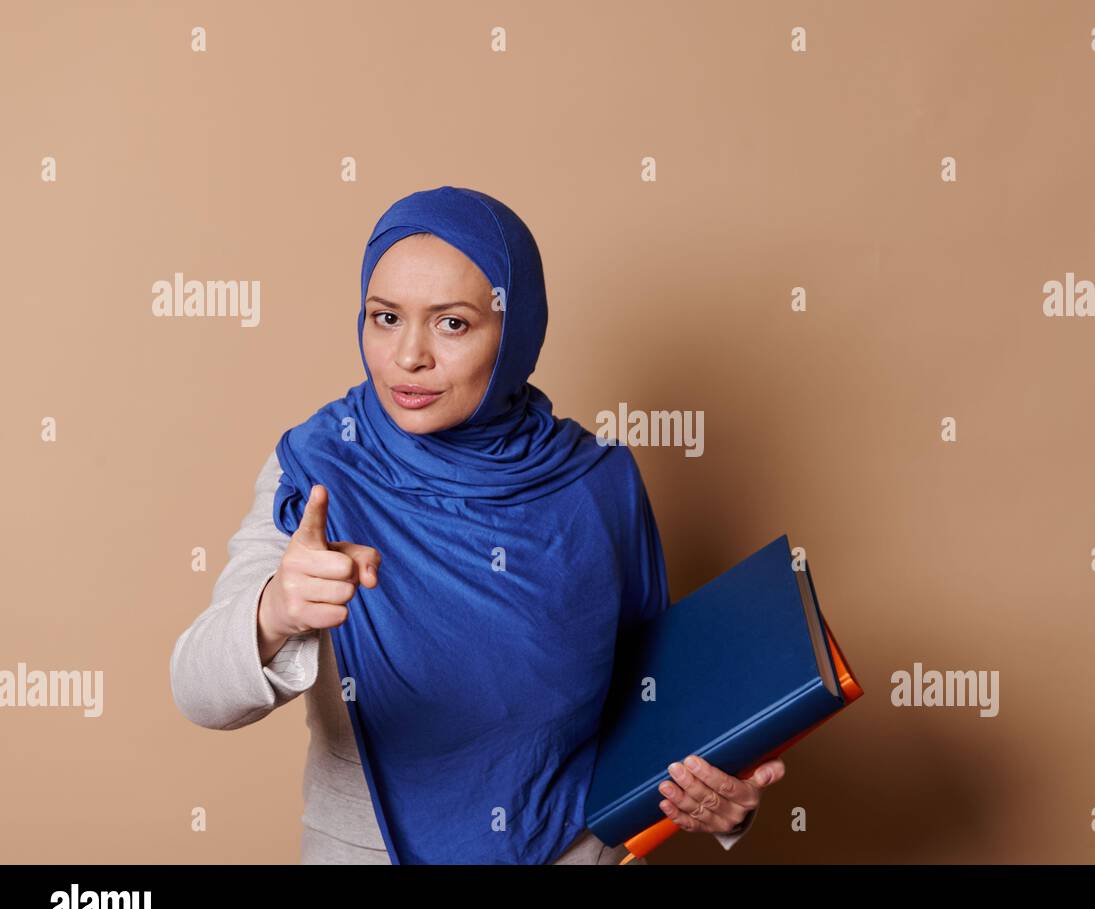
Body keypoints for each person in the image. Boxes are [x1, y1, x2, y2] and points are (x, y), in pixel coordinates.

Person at [169, 186, 786, 864]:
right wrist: (275, 611)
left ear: (516, 326)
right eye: (385, 318)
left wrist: (723, 803)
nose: (409, 356)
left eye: (452, 323)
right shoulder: (319, 467)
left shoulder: (596, 481)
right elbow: (199, 693)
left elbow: (656, 706)